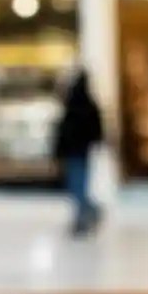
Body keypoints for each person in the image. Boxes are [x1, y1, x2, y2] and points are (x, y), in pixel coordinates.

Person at [53, 66, 105, 236]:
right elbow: (97, 129)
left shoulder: (71, 106)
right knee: (79, 185)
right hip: (82, 151)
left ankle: (83, 218)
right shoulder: (89, 104)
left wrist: (58, 150)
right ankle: (88, 213)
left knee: (76, 186)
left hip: (74, 152)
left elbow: (63, 130)